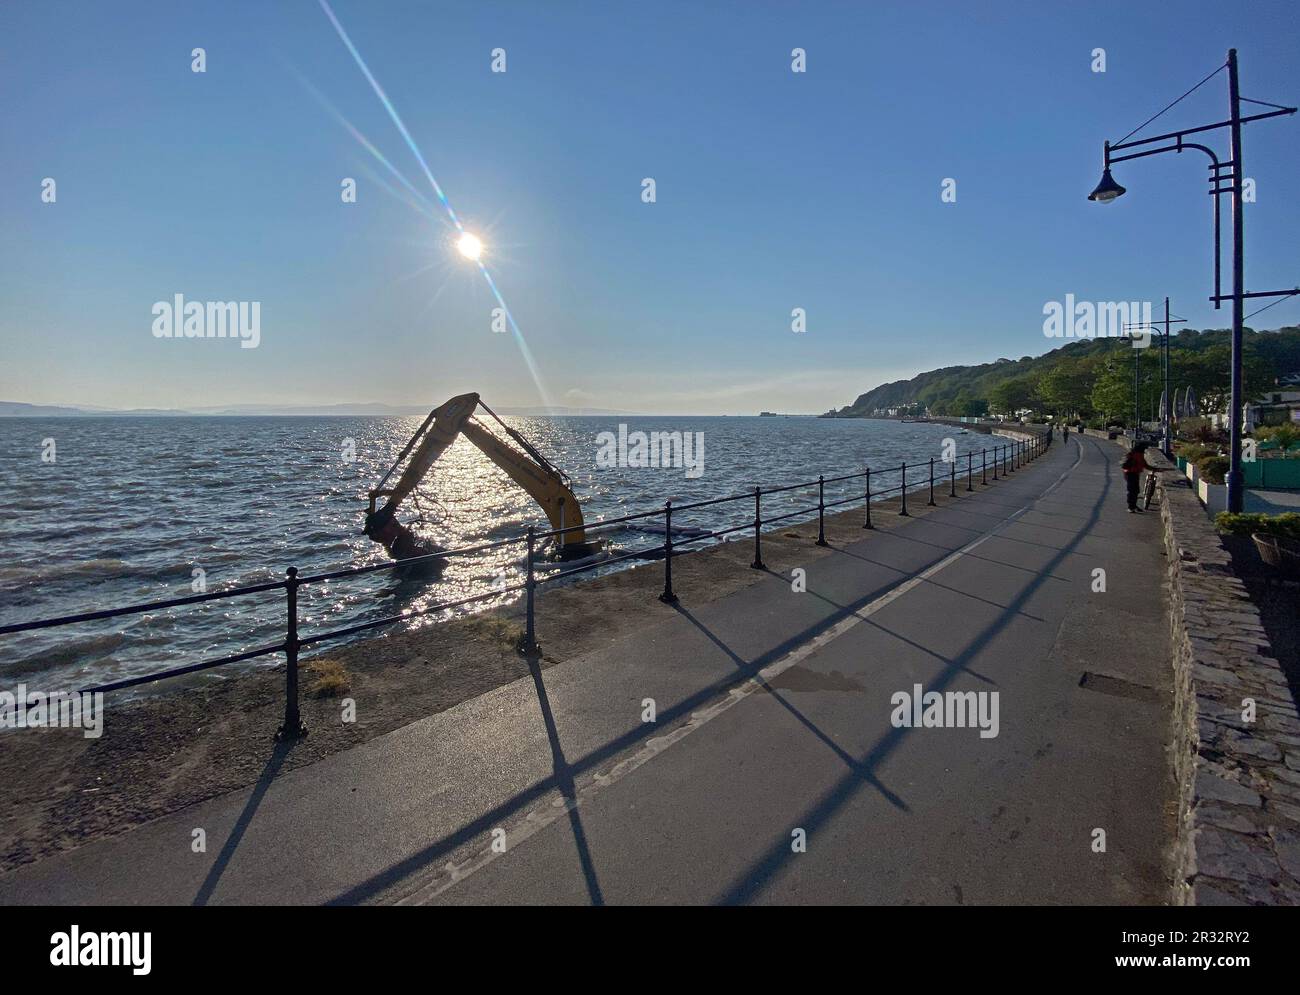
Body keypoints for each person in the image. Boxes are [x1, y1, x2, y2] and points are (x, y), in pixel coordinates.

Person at [1121, 441, 1168, 513]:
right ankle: (1131, 507)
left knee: (1135, 490)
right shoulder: (1137, 454)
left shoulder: (1135, 453)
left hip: (1132, 473)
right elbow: (1144, 465)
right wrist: (1155, 469)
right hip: (1131, 473)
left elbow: (1144, 464)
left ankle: (1133, 506)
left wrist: (1155, 469)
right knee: (1132, 490)